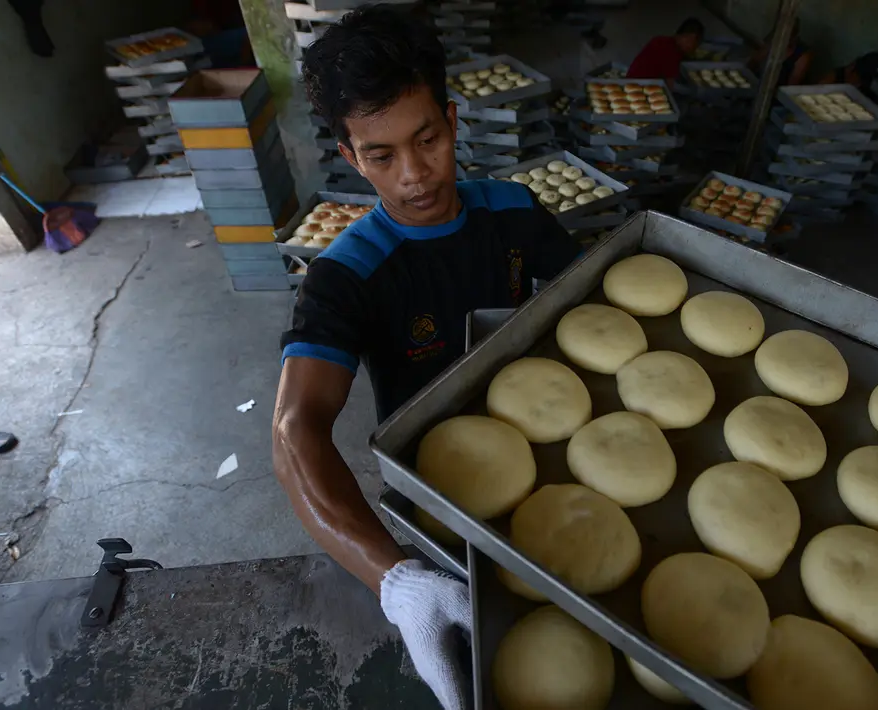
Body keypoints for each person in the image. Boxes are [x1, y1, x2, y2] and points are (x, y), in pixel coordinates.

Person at [273, 6, 580, 709]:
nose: (414, 175)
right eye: (380, 156)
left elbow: (589, 310)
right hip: (437, 500)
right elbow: (296, 433)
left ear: (451, 118)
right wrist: (395, 579)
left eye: (428, 139)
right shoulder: (346, 275)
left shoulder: (514, 211)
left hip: (551, 461)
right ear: (350, 157)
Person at [626, 17, 704, 83]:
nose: (693, 48)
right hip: (642, 84)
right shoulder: (672, 54)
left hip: (630, 77)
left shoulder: (660, 40)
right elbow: (669, 85)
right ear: (685, 37)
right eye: (692, 43)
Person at [751, 17, 812, 87]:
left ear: (794, 36)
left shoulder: (802, 56)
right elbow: (753, 62)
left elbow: (791, 86)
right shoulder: (773, 41)